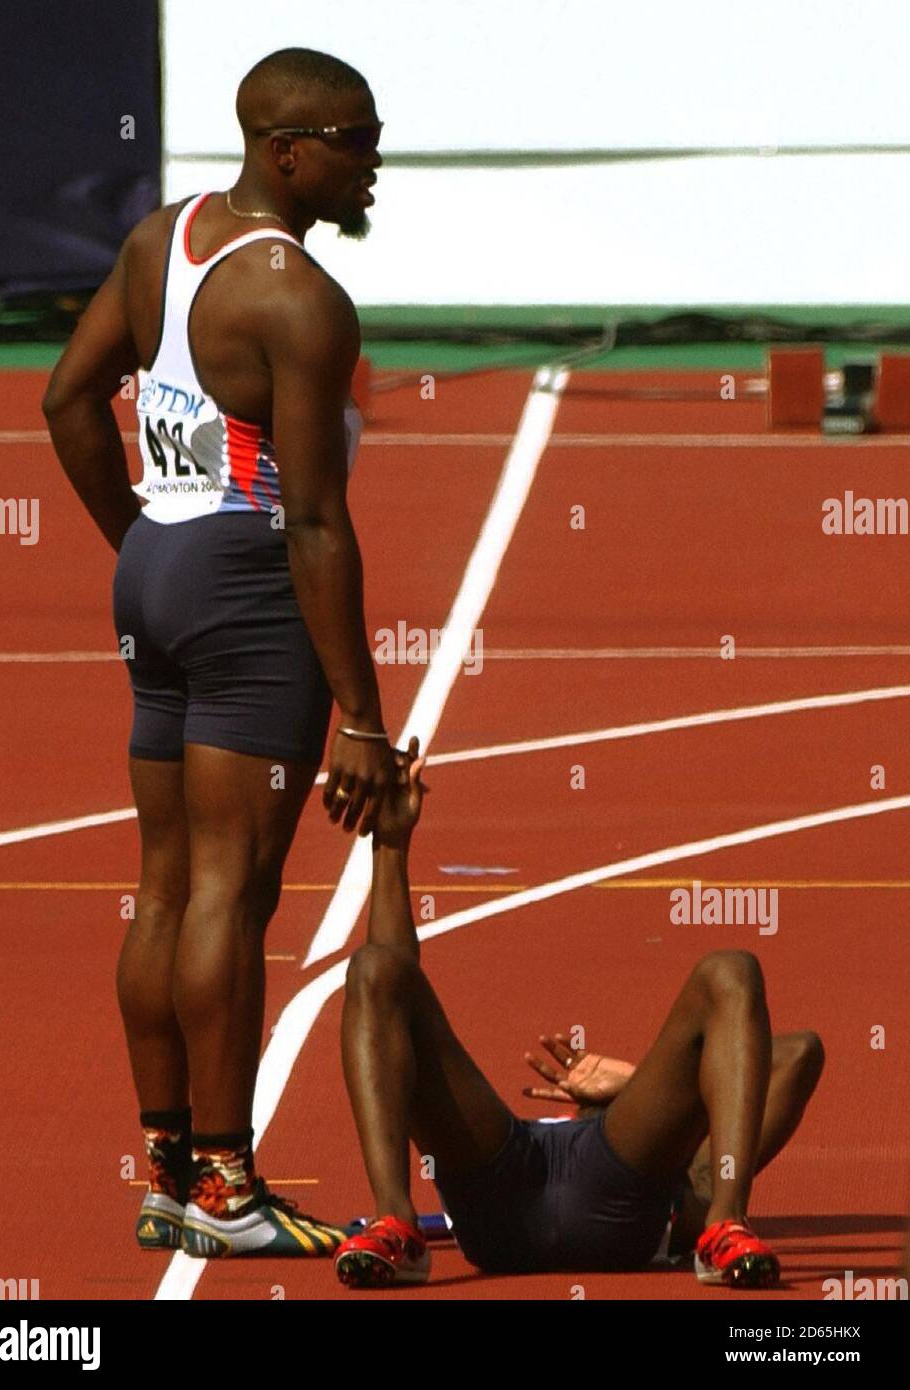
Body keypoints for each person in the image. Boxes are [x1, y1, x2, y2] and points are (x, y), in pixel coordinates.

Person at [42, 47, 396, 1257]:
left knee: (167, 881)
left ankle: (167, 1167)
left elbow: (64, 397)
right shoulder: (300, 300)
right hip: (244, 585)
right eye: (357, 140)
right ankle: (227, 1187)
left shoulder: (161, 236)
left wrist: (138, 543)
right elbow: (313, 520)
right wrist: (358, 711)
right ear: (287, 149)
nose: (374, 162)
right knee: (230, 899)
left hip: (157, 570)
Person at [334, 739, 825, 1288]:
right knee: (373, 969)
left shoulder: (702, 1165)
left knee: (732, 968)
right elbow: (392, 995)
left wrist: (632, 1085)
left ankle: (726, 1225)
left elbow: (799, 1055)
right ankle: (395, 1222)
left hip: (621, 1183)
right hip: (499, 1176)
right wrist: (390, 846)